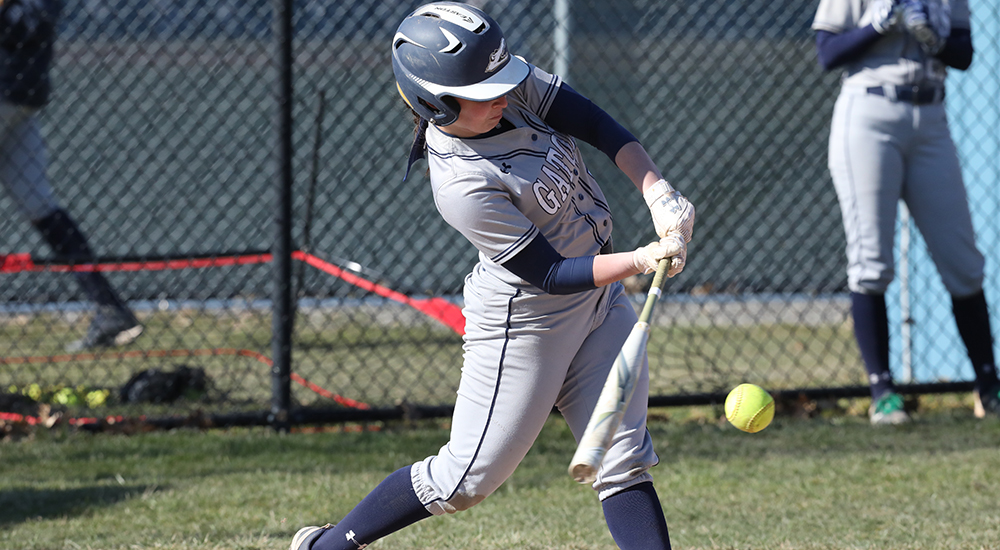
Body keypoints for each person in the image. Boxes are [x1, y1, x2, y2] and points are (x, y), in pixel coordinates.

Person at [290, 3, 695, 549]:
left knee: (621, 459)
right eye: (482, 92)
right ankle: (327, 546)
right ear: (435, 103)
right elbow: (551, 272)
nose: (502, 94)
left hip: (598, 303)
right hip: (527, 326)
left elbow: (598, 125)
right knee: (463, 481)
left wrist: (658, 192)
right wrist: (642, 259)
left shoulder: (510, 86)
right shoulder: (461, 183)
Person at [812, 0, 999, 424]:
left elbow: (964, 55)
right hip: (869, 113)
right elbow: (827, 52)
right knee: (871, 262)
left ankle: (989, 386)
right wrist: (877, 25)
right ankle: (883, 393)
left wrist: (933, 38)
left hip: (932, 117)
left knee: (963, 262)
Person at [1, 0, 142, 352]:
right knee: (40, 206)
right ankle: (109, 307)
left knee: (42, 206)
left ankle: (110, 310)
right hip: (21, 95)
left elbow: (29, 23)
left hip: (13, 90)